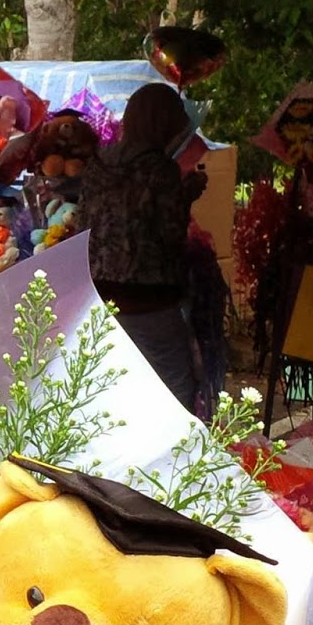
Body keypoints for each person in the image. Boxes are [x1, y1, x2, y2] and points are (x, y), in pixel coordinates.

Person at [79, 82, 206, 410]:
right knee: (174, 385)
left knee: (113, 385)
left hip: (98, 292)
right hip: (148, 298)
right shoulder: (159, 169)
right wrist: (185, 197)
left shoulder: (97, 164)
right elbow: (170, 234)